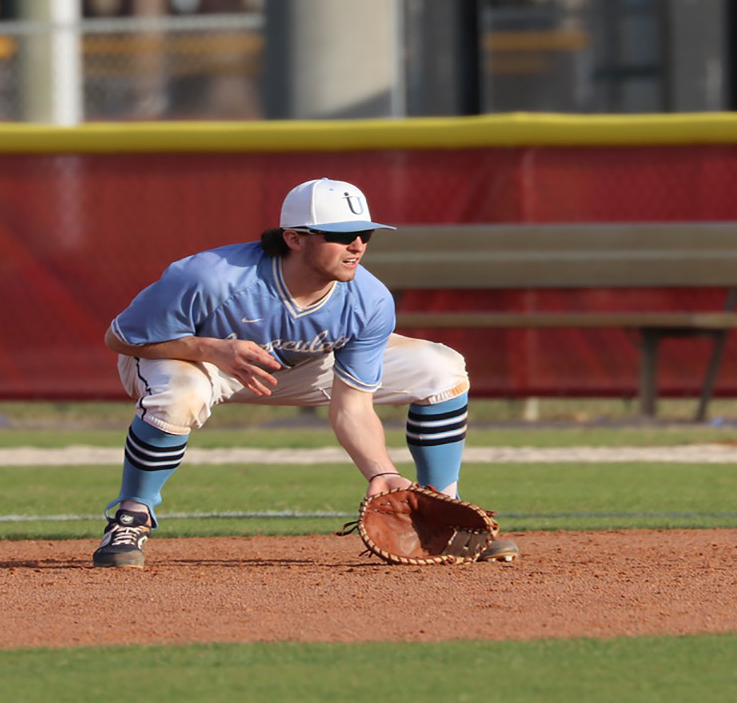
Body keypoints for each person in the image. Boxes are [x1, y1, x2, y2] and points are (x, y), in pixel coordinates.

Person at [91, 177, 518, 567]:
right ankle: (132, 515)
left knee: (439, 368)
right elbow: (121, 338)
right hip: (191, 358)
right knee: (179, 396)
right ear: (294, 238)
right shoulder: (211, 278)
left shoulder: (368, 300)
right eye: (338, 235)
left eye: (364, 234)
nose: (356, 245)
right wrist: (207, 347)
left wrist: (382, 472)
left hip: (297, 367)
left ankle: (443, 511)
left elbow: (352, 406)